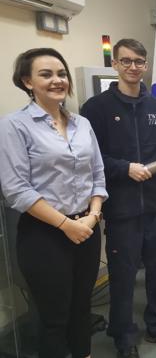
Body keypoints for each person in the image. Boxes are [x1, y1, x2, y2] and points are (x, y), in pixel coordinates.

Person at [80, 39, 156, 358]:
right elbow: (92, 158)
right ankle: (123, 335)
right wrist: (125, 168)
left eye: (139, 61)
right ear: (114, 64)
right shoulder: (96, 108)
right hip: (122, 209)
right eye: (126, 61)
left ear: (146, 65)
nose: (133, 67)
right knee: (124, 276)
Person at [0, 48, 107, 358]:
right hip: (44, 234)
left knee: (82, 306)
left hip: (86, 227)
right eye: (46, 74)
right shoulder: (14, 125)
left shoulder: (82, 124)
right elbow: (16, 189)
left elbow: (97, 174)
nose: (57, 80)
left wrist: (93, 215)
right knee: (53, 317)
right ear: (27, 81)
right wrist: (66, 225)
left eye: (61, 74)